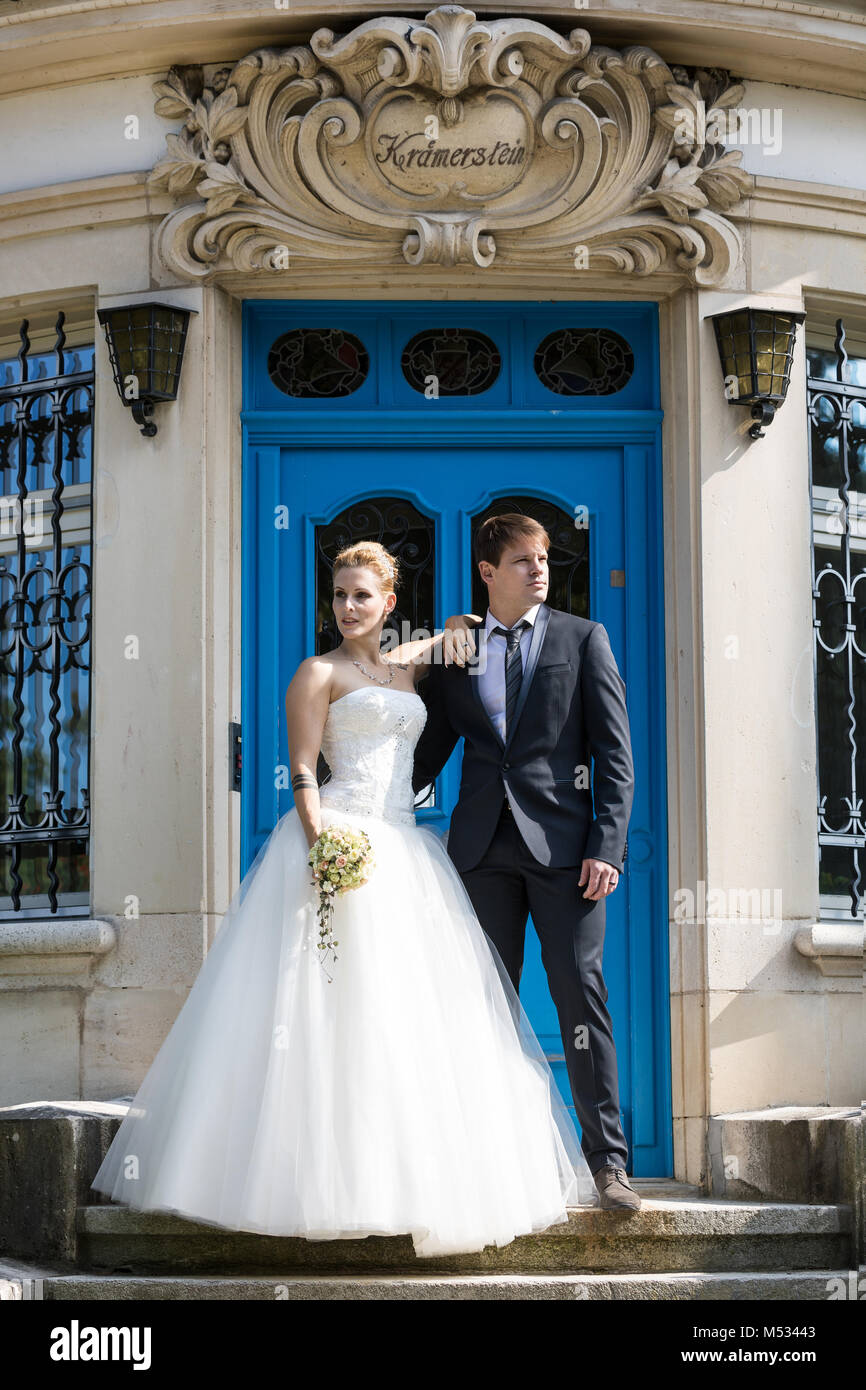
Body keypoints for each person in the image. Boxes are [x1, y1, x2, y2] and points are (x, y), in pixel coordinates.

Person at [89, 539, 598, 1259]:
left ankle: (407, 1184)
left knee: (404, 1017)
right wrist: (320, 842)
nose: (348, 606)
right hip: (338, 839)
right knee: (324, 1014)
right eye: (339, 594)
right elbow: (302, 770)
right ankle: (310, 1185)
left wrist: (460, 622)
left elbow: (450, 636)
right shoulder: (317, 673)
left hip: (407, 853)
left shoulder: (407, 666)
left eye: (363, 595)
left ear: (388, 603)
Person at [412, 513, 640, 1211]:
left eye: (542, 558)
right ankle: (483, 1163)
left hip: (567, 855)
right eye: (522, 560)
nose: (539, 569)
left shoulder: (583, 638)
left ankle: (608, 1165)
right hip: (480, 850)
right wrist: (355, 800)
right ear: (488, 572)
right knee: (483, 1003)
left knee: (580, 997)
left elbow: (615, 756)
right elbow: (428, 752)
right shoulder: (458, 651)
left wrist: (606, 847)